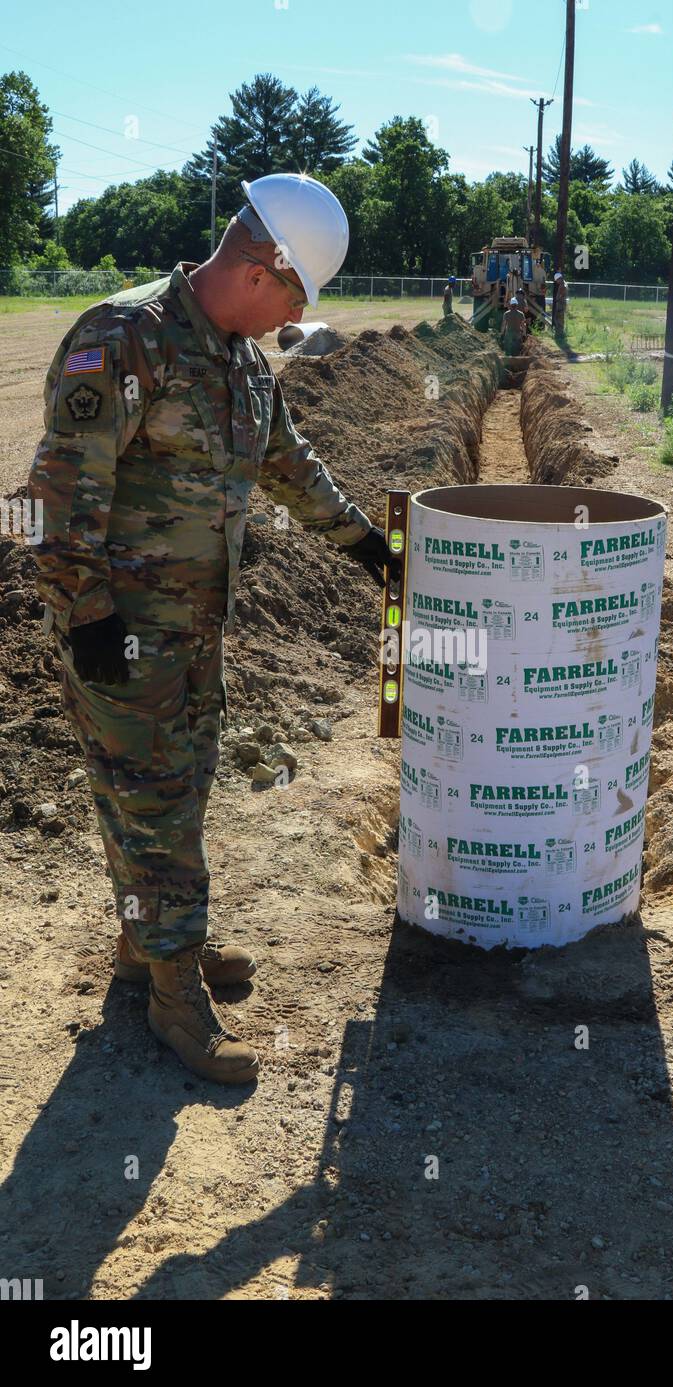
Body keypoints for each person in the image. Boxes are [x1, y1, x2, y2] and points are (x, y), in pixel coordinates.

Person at [26, 173, 391, 1086]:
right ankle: (174, 990)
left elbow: (288, 465)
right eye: (297, 298)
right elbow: (50, 500)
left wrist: (369, 548)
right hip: (123, 632)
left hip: (196, 630)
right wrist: (86, 615)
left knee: (169, 791)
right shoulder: (125, 338)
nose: (291, 320)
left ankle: (144, 942)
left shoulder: (236, 360)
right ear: (264, 266)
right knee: (155, 803)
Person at [552, 271, 568, 340]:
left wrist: (557, 299)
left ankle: (559, 335)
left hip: (560, 304)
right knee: (559, 320)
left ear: (559, 278)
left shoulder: (562, 285)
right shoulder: (563, 284)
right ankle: (559, 334)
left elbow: (560, 296)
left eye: (557, 280)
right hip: (561, 304)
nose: (557, 282)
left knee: (559, 320)